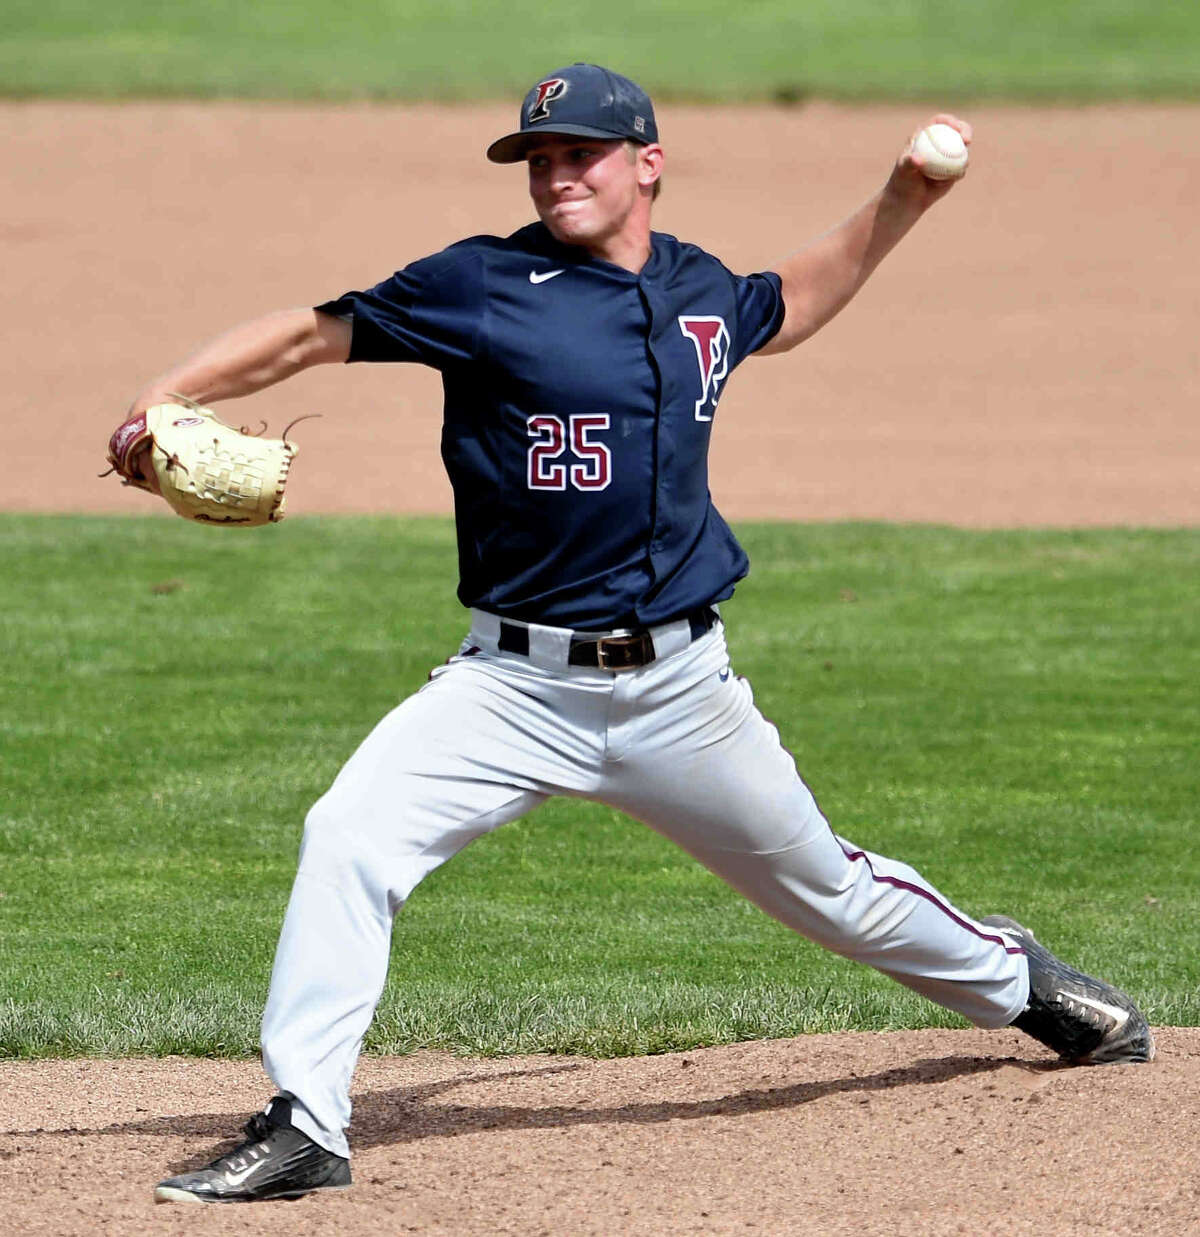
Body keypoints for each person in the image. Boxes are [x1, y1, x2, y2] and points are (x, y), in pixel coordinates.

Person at [120, 65, 1152, 1206]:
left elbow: (789, 303)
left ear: (646, 164)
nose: (558, 174)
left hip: (682, 694)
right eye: (541, 158)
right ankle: (307, 1121)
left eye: (581, 154)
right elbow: (307, 338)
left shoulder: (700, 292)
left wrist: (906, 195)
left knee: (834, 894)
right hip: (508, 689)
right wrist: (158, 401)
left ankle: (1022, 983)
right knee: (348, 837)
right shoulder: (481, 282)